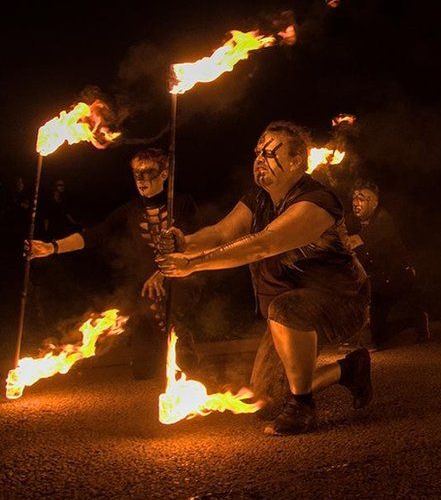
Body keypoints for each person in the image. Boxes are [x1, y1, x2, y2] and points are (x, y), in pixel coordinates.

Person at [156, 121, 371, 436]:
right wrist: (186, 243)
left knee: (286, 309)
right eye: (257, 153)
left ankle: (302, 407)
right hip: (288, 312)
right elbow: (222, 233)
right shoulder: (258, 198)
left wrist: (192, 264)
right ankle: (350, 369)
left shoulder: (317, 201)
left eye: (270, 154)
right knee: (267, 401)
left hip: (342, 303)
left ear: (296, 161)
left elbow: (264, 244)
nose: (259, 160)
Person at [29, 149, 197, 380]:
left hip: (179, 286)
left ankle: (182, 344)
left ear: (164, 174)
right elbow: (95, 234)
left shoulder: (183, 203)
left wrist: (164, 272)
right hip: (144, 296)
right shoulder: (131, 210)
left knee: (185, 365)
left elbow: (193, 244)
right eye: (137, 173)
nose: (142, 179)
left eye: (149, 172)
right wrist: (52, 247)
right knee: (144, 370)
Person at [347, 181, 430, 349]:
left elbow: (353, 242)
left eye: (362, 198)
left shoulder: (382, 220)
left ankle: (417, 320)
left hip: (397, 277)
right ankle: (407, 322)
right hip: (378, 279)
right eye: (355, 198)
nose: (356, 202)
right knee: (378, 334)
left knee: (374, 334)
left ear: (374, 203)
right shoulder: (355, 220)